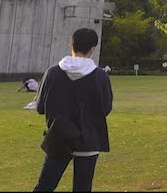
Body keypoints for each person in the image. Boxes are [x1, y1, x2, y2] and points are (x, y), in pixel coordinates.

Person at [33, 28, 114, 193]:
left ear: (72, 45)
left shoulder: (53, 73)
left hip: (59, 135)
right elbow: (105, 108)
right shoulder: (100, 76)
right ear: (92, 48)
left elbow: (40, 107)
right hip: (88, 137)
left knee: (45, 186)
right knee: (83, 188)